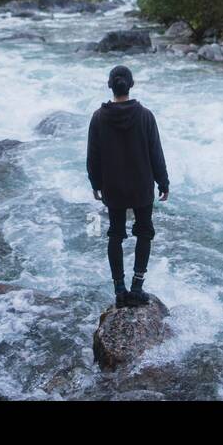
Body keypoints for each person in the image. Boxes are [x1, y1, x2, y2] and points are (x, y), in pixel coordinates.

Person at [86, 65, 169, 307]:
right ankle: (137, 286)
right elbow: (156, 153)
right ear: (131, 85)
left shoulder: (99, 117)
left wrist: (95, 183)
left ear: (109, 85)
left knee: (115, 234)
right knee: (144, 232)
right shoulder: (145, 115)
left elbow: (93, 156)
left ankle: (119, 289)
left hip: (113, 187)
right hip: (142, 186)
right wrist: (163, 182)